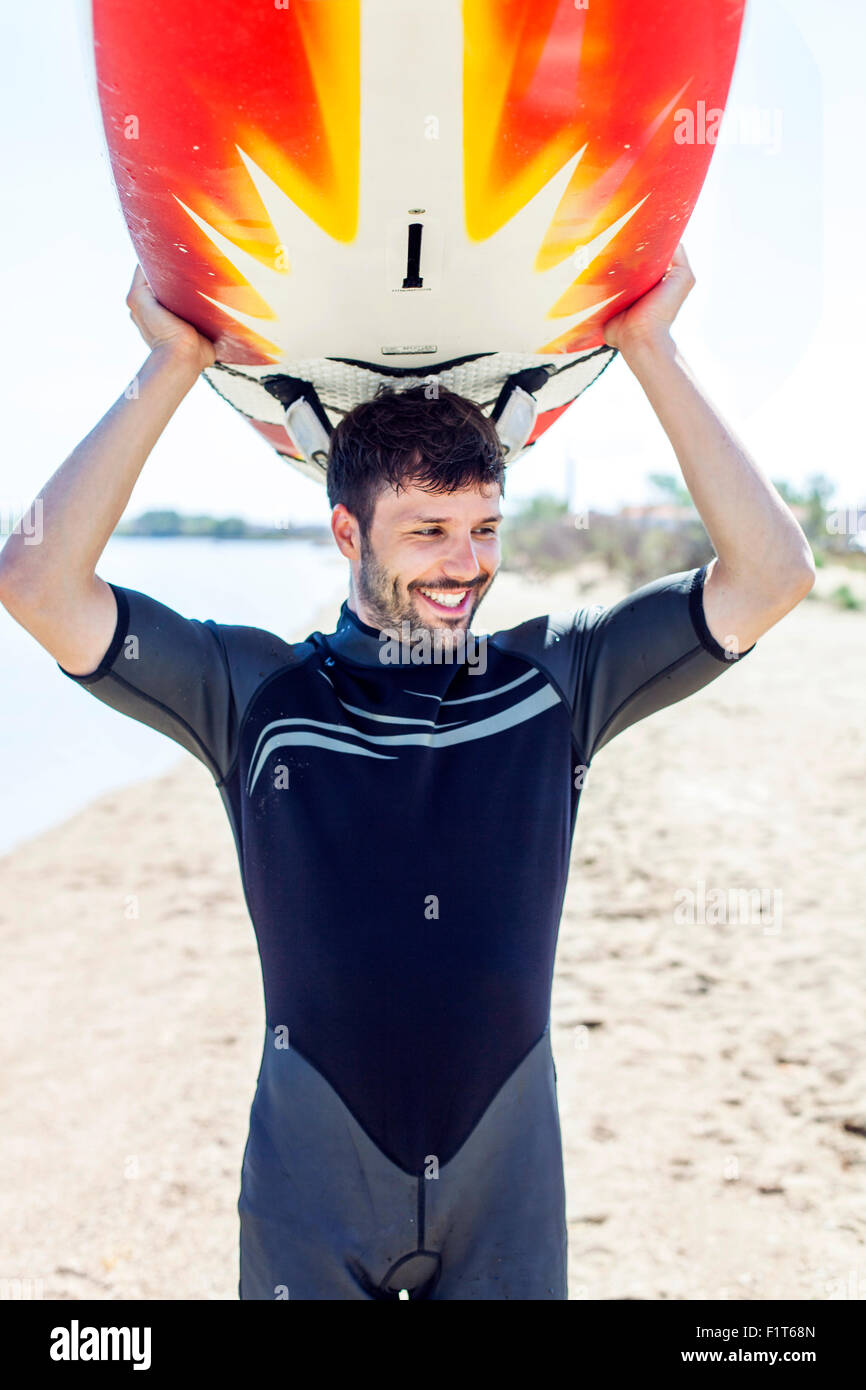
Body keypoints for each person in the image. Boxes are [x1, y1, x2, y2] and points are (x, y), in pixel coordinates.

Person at [0, 246, 815, 1300]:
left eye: (482, 529)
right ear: (346, 530)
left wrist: (648, 349)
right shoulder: (259, 696)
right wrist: (170, 364)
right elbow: (37, 581)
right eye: (426, 531)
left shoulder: (551, 682)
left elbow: (771, 574)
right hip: (310, 1184)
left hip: (506, 1188)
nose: (463, 564)